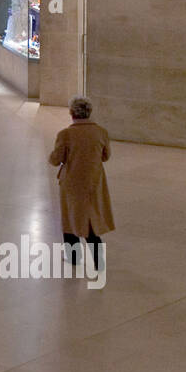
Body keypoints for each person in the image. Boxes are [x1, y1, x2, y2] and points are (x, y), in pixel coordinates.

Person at [48, 97, 114, 272]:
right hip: (94, 181)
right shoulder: (101, 132)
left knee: (70, 217)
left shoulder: (65, 134)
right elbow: (106, 156)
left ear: (71, 113)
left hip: (72, 183)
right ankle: (98, 261)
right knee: (91, 219)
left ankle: (74, 257)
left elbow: (56, 159)